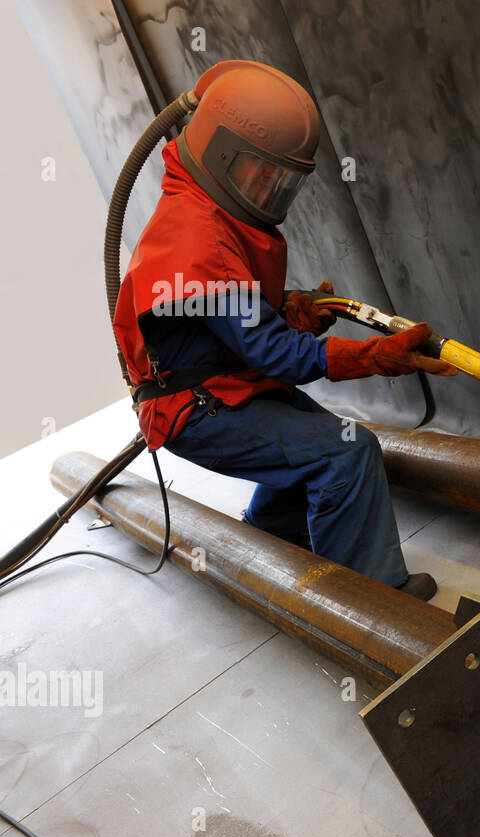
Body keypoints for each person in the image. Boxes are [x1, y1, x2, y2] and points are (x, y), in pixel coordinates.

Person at [111, 59, 455, 599]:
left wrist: (295, 310)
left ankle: (277, 533)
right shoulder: (198, 238)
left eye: (281, 179)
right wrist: (375, 357)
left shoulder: (203, 210)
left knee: (321, 442)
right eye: (260, 171)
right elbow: (278, 355)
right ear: (221, 153)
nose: (270, 186)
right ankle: (372, 603)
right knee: (346, 452)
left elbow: (221, 319)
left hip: (221, 389)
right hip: (196, 411)